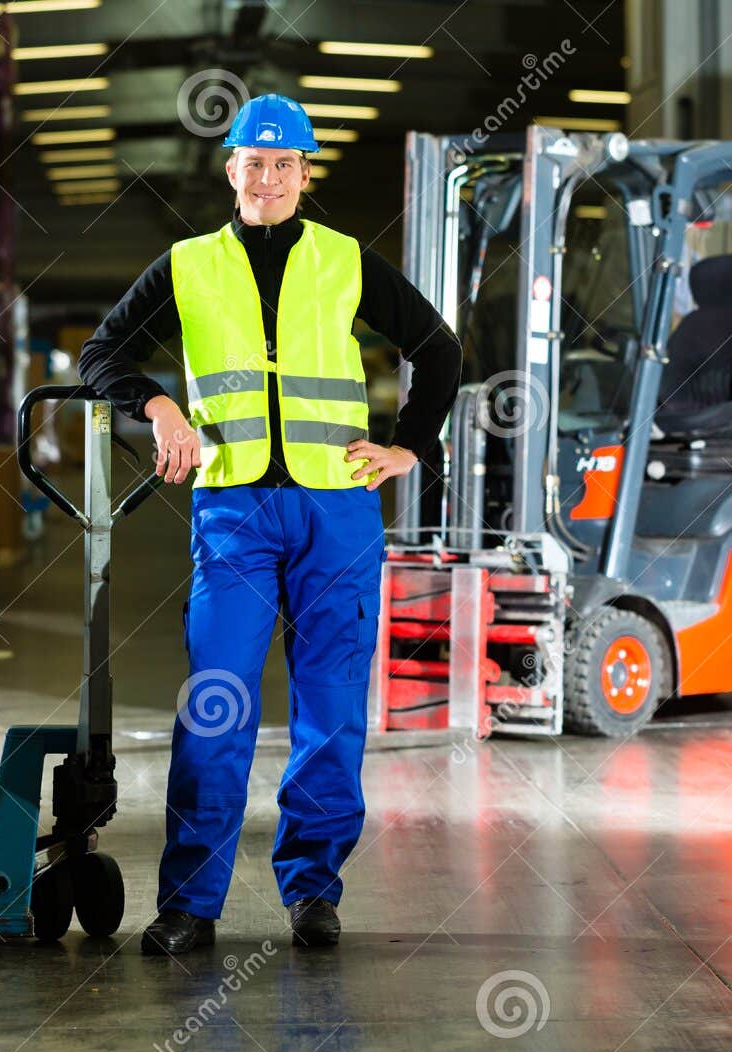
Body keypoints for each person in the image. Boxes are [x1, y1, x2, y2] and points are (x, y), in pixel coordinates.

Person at [78, 94, 461, 954]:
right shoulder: (187, 265)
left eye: (286, 164)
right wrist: (159, 407)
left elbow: (438, 346)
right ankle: (189, 905)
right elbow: (102, 352)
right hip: (236, 512)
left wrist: (411, 448)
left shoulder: (345, 260)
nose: (270, 177)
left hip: (338, 509)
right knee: (216, 706)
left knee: (331, 705)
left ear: (305, 175)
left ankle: (314, 890)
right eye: (255, 162)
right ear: (232, 172)